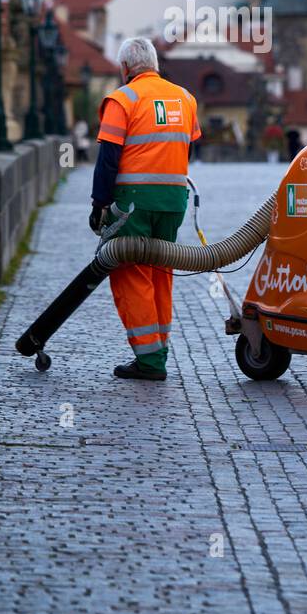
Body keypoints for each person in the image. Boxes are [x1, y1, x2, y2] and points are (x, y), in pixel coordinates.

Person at [91, 36, 200, 380]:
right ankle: (158, 352)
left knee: (131, 272)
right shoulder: (185, 98)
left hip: (133, 203)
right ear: (155, 64)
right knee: (160, 272)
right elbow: (188, 150)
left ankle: (150, 361)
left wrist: (99, 204)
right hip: (173, 200)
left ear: (125, 69)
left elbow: (108, 159)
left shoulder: (122, 99)